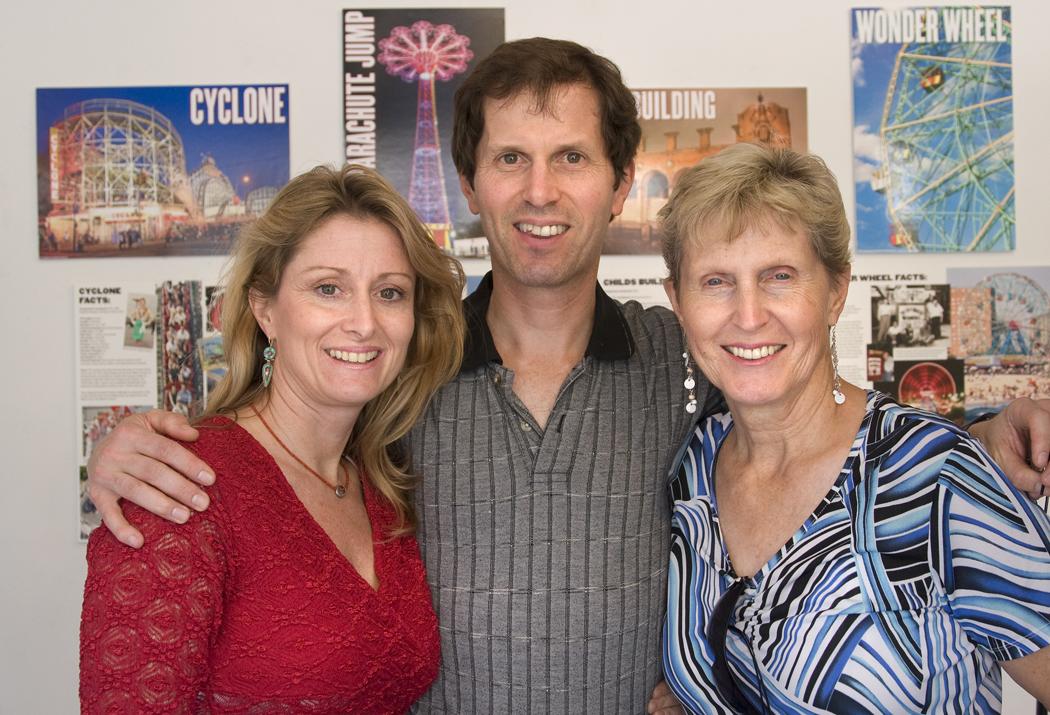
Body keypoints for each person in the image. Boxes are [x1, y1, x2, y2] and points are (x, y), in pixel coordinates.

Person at [86, 39, 1050, 714]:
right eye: (511, 158)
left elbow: (823, 435)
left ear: (620, 181)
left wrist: (986, 432)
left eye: (571, 158)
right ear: (471, 185)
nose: (540, 191)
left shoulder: (685, 361)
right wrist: (127, 446)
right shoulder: (397, 369)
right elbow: (285, 436)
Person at [659, 143, 1050, 713]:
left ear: (836, 291)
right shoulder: (691, 466)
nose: (747, 315)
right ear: (677, 300)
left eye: (779, 276)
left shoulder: (938, 476)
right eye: (716, 281)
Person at [80, 164, 466, 712]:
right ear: (266, 311)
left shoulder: (379, 483)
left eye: (390, 292)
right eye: (328, 288)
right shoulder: (175, 484)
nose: (364, 322)